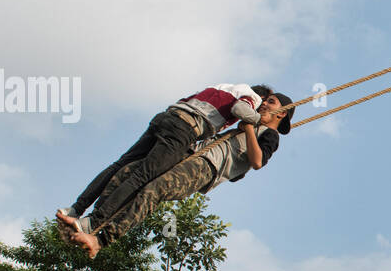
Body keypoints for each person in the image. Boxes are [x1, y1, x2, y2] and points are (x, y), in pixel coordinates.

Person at [65, 96, 292, 259]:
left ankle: (101, 240)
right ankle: (90, 223)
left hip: (206, 167)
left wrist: (250, 129)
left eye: (271, 102)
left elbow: (257, 162)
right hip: (191, 154)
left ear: (281, 113)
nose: (264, 103)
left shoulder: (269, 134)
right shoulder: (246, 124)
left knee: (154, 189)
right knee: (129, 172)